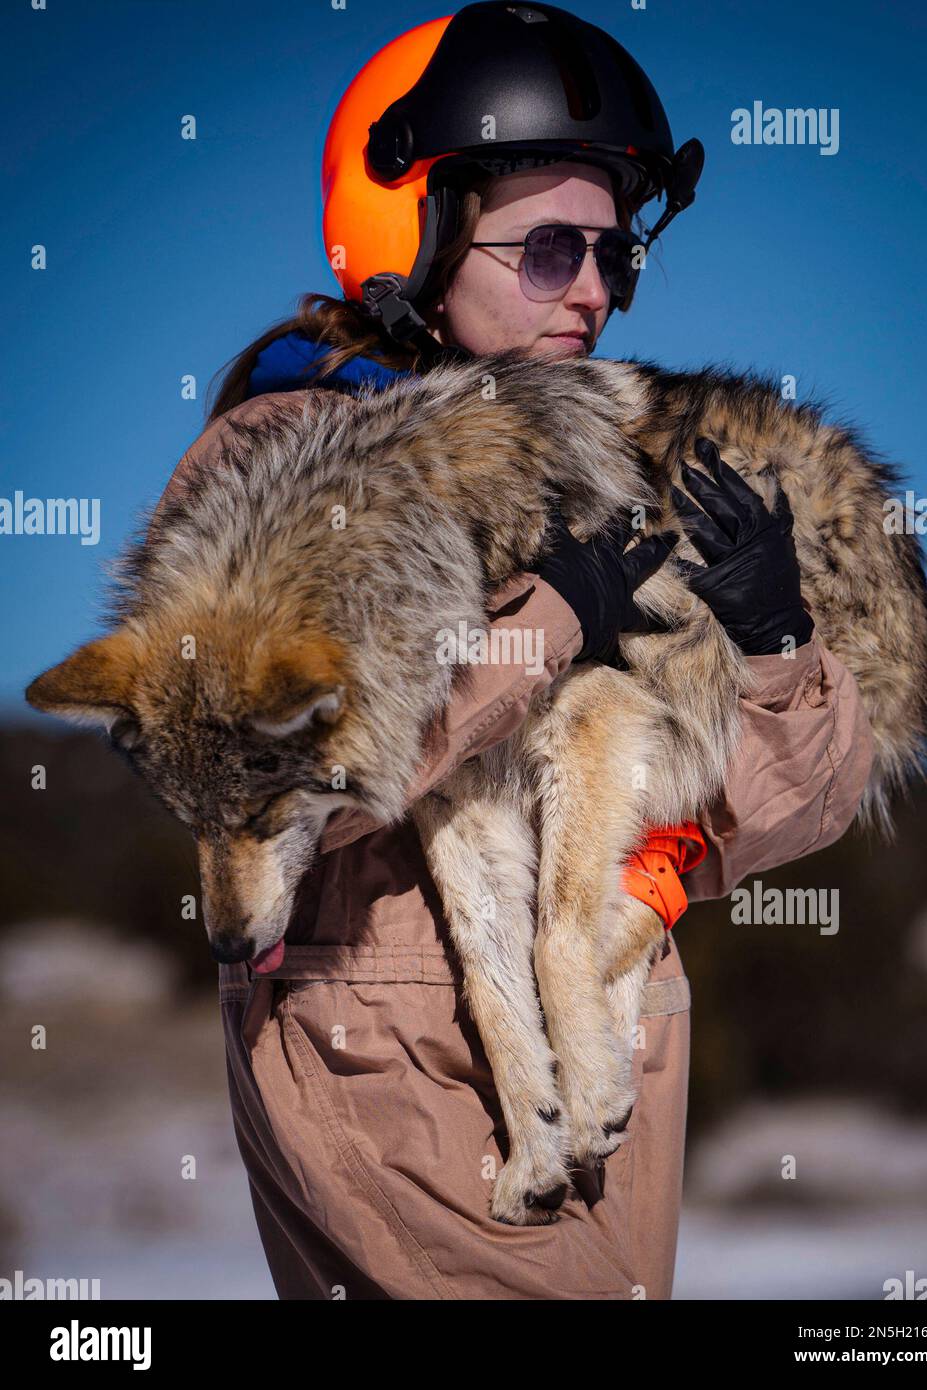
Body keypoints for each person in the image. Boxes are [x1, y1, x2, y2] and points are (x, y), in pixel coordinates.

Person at [163, 3, 875, 1298]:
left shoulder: (610, 456)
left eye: (616, 255)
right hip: (419, 1097)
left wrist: (779, 657)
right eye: (551, 250)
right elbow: (273, 773)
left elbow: (766, 823)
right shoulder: (286, 451)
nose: (598, 292)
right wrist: (550, 615)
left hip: (611, 1108)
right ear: (418, 235)